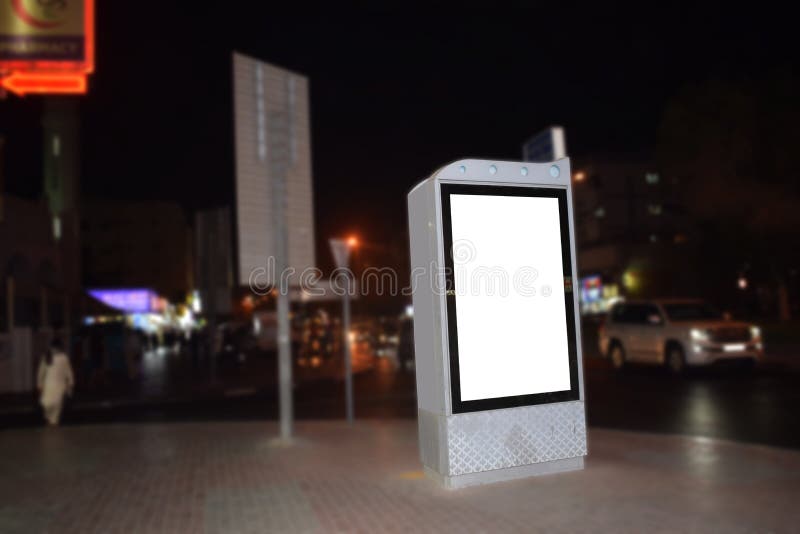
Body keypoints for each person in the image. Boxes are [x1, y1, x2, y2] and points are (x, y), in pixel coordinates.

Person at [36, 338, 75, 426]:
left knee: (56, 405)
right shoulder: (47, 357)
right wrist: (39, 384)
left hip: (58, 385)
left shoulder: (63, 358)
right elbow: (41, 372)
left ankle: (53, 424)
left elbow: (68, 372)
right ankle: (50, 421)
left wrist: (70, 383)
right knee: (48, 404)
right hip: (50, 385)